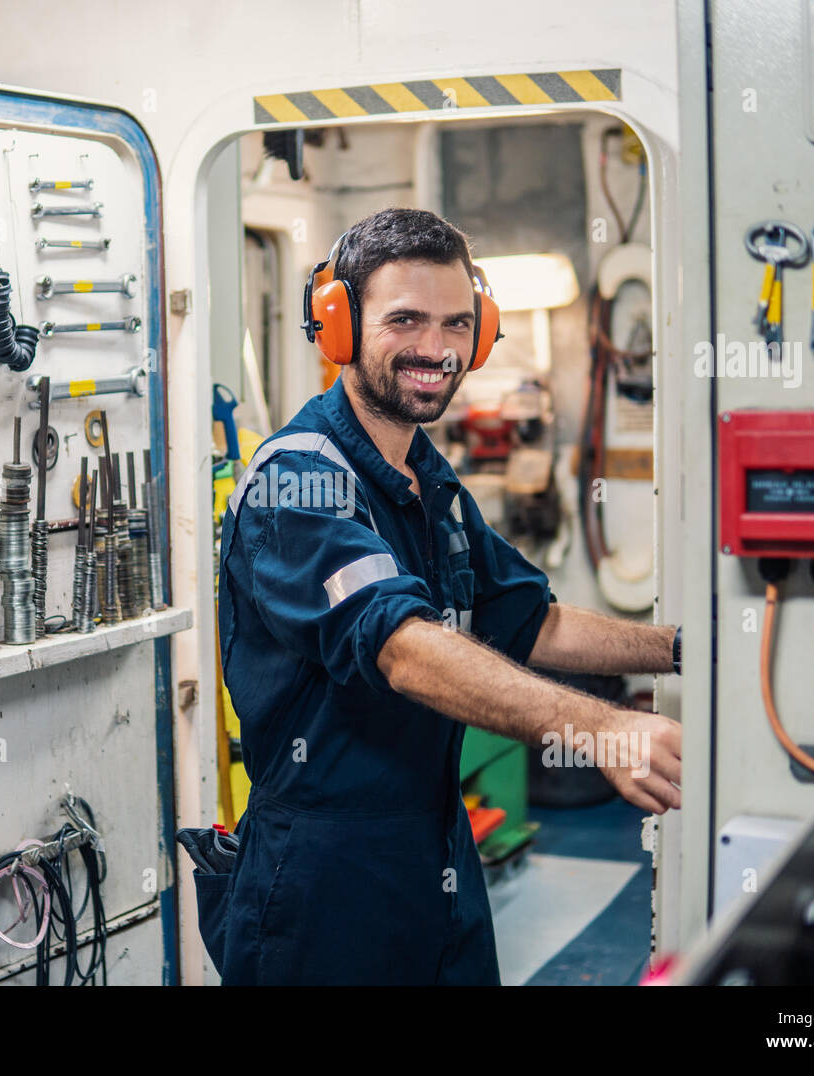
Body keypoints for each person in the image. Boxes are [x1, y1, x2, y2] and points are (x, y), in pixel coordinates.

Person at [213, 207, 681, 986]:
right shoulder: (298, 479)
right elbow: (400, 647)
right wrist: (600, 729)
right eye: (405, 320)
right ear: (339, 327)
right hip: (324, 875)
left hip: (437, 850)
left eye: (457, 322)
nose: (436, 348)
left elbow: (532, 621)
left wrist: (682, 648)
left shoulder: (428, 478)